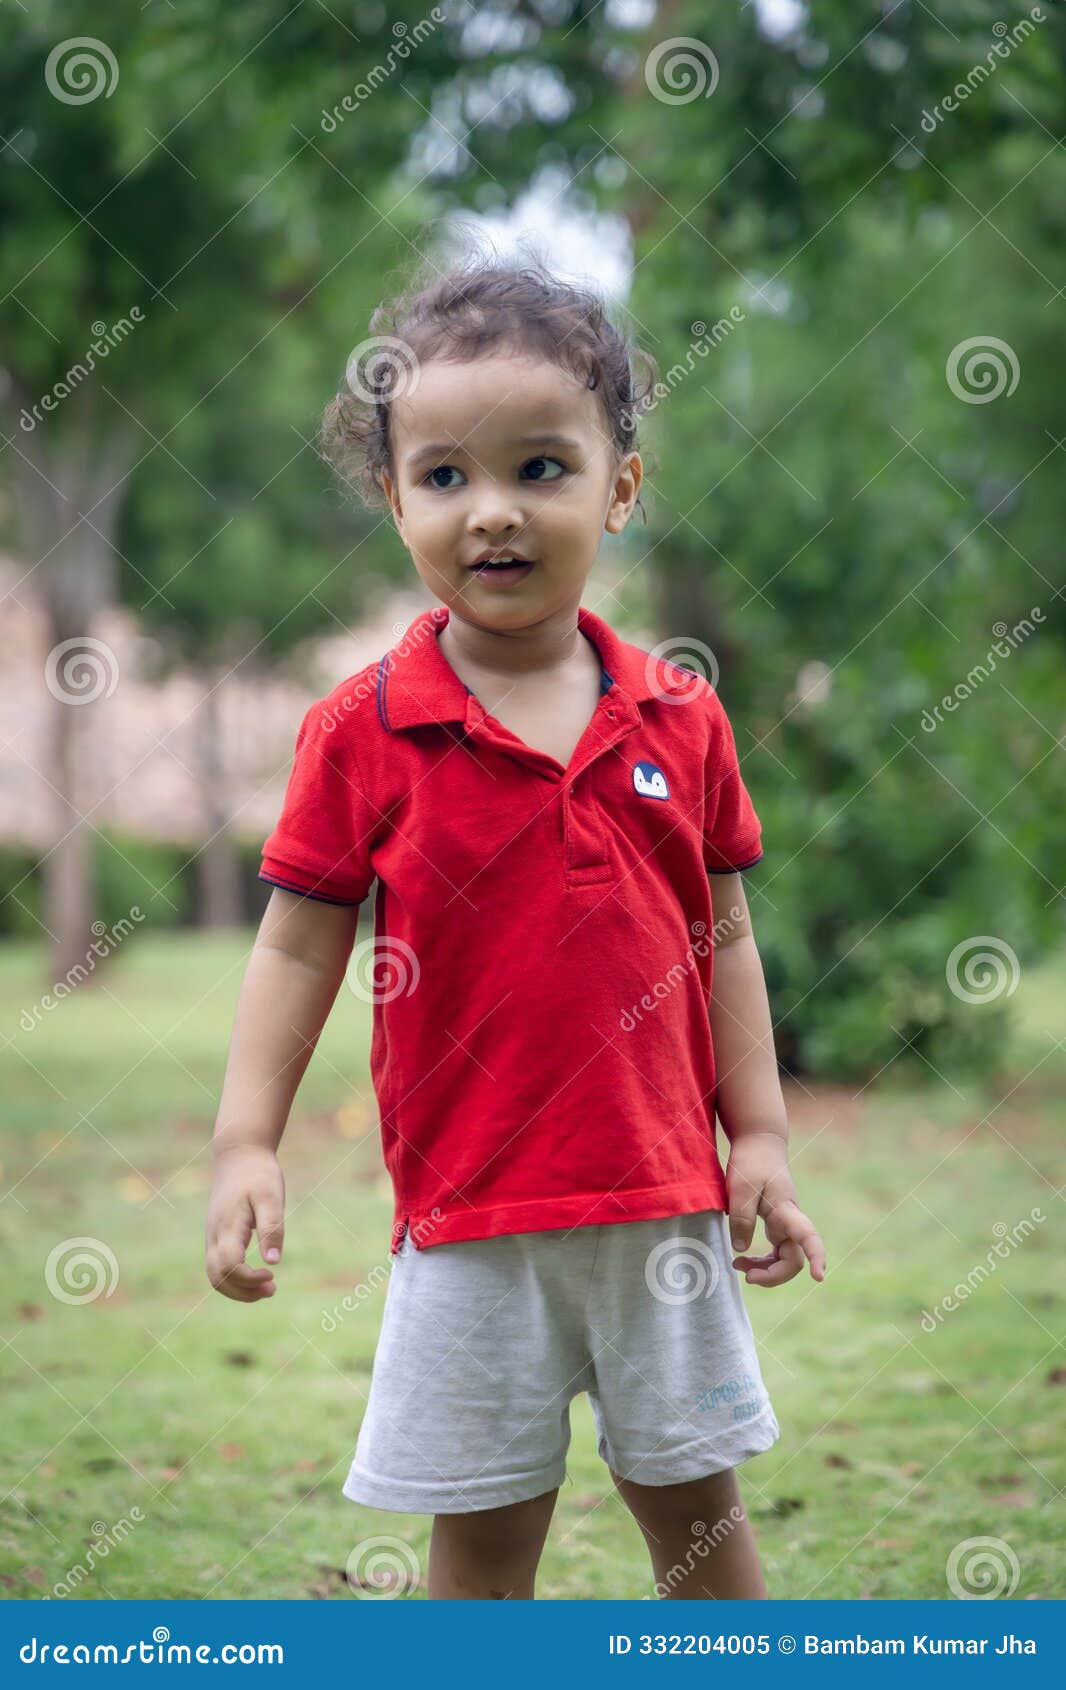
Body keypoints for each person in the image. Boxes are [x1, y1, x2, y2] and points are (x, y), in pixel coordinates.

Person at [205, 249, 825, 1600]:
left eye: (539, 467)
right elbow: (299, 941)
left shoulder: (679, 714)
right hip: (467, 1218)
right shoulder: (361, 729)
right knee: (479, 1553)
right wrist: (247, 1137)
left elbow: (720, 934)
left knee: (702, 1531)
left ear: (619, 487)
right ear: (393, 499)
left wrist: (761, 1131)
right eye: (444, 476)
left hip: (662, 1206)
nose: (492, 510)